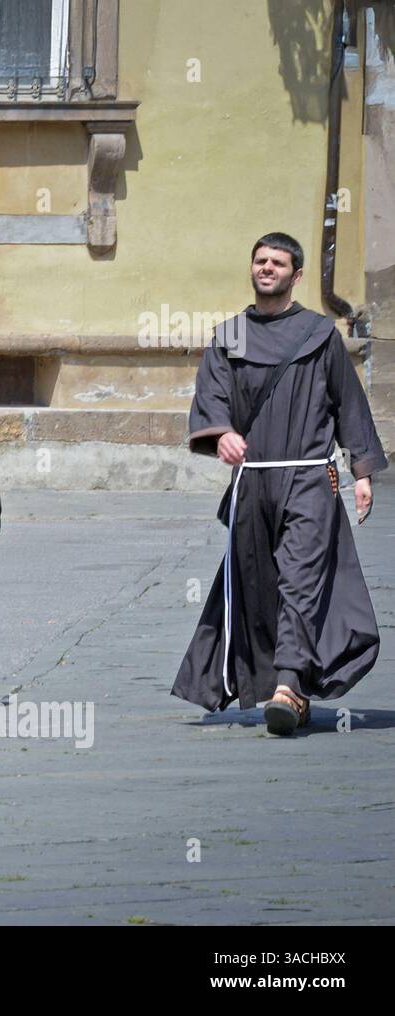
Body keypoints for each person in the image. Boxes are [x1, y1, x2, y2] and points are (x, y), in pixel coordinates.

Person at [173, 232, 386, 735]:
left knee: (300, 581)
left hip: (310, 478)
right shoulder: (230, 336)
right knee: (259, 584)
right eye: (260, 260)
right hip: (254, 483)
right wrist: (221, 433)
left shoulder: (320, 334)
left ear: (297, 274)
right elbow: (212, 398)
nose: (267, 267)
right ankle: (283, 685)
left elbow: (348, 404)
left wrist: (361, 473)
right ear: (252, 269)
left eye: (278, 262)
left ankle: (289, 687)